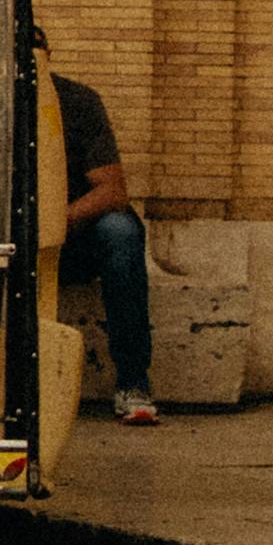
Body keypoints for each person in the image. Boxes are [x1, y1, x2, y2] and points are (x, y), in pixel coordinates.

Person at [50, 64, 159, 426]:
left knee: (120, 232)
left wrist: (55, 221)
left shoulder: (76, 100)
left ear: (46, 55)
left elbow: (112, 190)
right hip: (9, 231)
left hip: (75, 236)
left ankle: (133, 384)